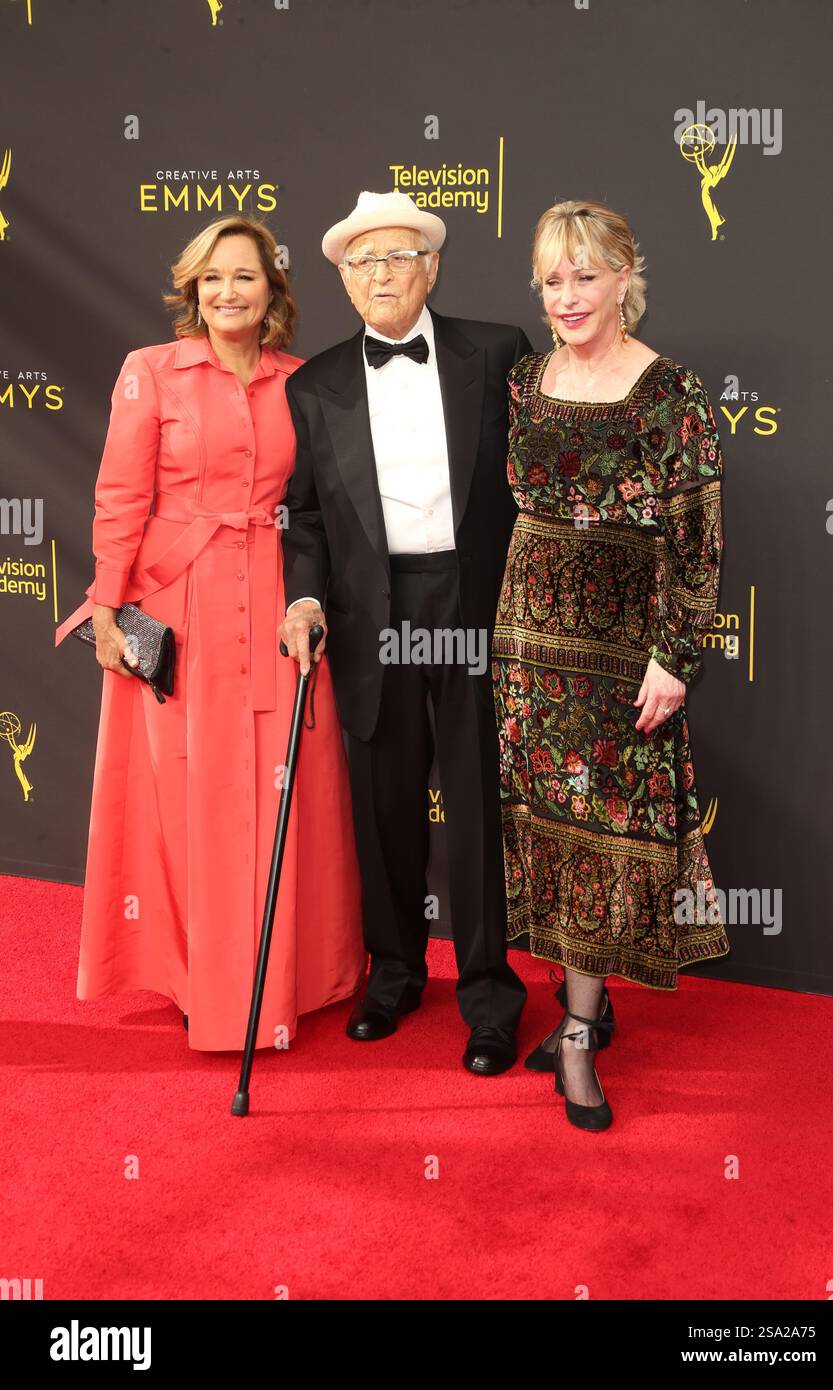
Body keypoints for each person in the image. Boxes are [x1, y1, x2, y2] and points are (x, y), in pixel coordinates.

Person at [55, 215, 366, 1051]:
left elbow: (318, 505)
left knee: (282, 790)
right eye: (213, 277)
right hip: (176, 603)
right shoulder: (150, 371)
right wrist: (108, 609)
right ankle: (203, 981)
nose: (228, 291)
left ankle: (292, 973)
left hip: (277, 600)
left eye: (245, 276)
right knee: (192, 797)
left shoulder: (303, 381)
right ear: (193, 289)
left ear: (273, 290)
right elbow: (120, 496)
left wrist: (316, 598)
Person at [279, 190, 532, 1074]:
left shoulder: (497, 351)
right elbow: (305, 514)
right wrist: (303, 600)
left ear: (433, 268)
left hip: (473, 600)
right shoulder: (313, 385)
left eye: (397, 257)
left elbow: (536, 480)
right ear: (344, 281)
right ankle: (392, 974)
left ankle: (490, 993)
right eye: (362, 262)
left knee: (477, 799)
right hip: (370, 612)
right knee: (384, 803)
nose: (380, 275)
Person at [491, 199, 729, 1129]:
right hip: (526, 639)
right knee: (548, 826)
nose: (568, 296)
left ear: (626, 277)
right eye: (552, 280)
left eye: (585, 276)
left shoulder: (671, 391)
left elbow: (698, 537)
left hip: (623, 649)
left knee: (602, 828)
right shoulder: (525, 380)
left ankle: (580, 1039)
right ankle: (579, 1003)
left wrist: (676, 656)